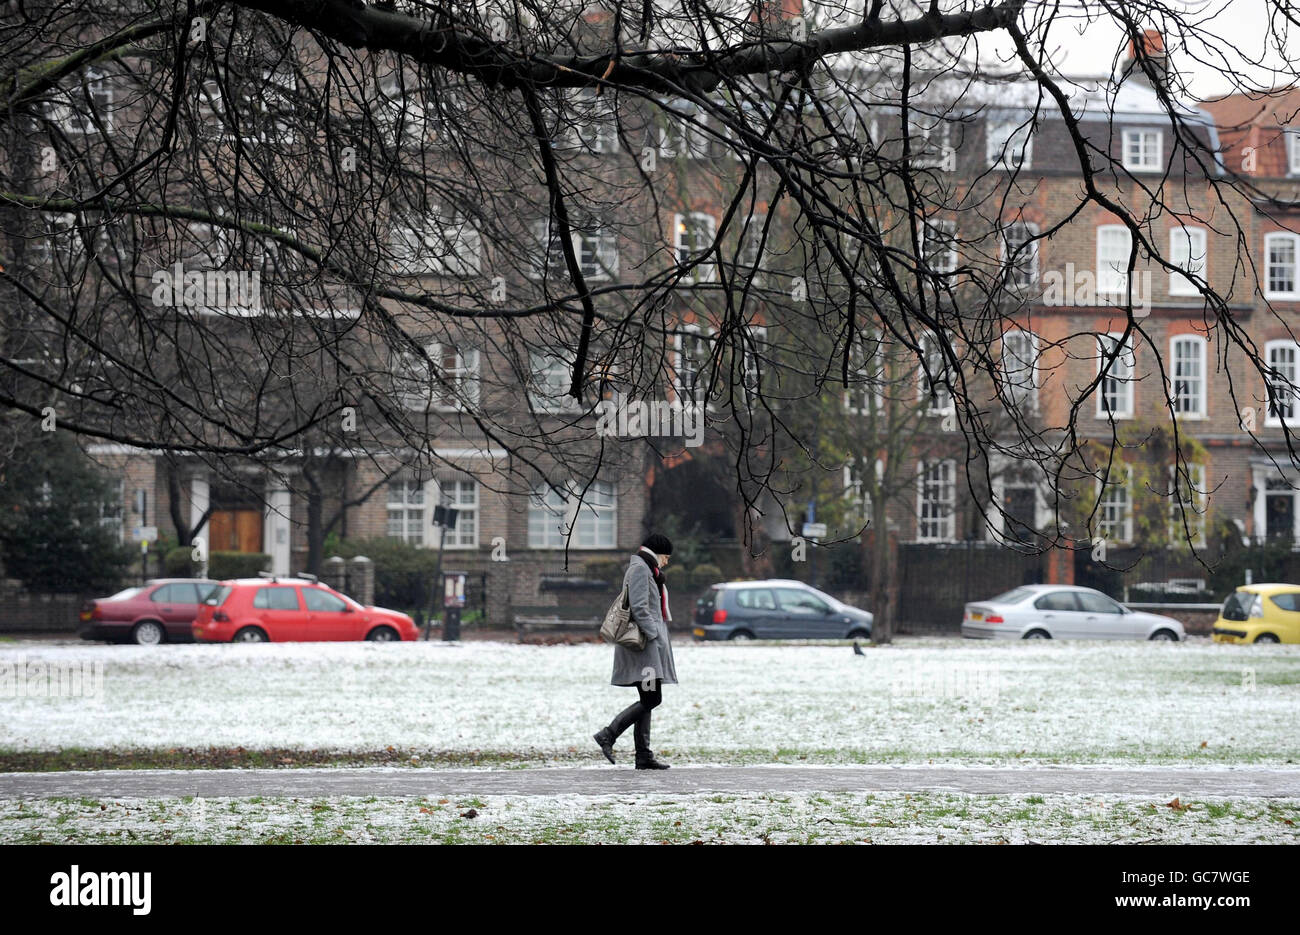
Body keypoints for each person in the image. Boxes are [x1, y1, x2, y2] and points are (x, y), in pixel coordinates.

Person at [593, 533, 678, 769]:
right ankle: (608, 734)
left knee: (647, 698)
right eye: (666, 557)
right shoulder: (641, 569)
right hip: (644, 648)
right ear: (658, 553)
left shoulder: (647, 569)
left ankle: (643, 755)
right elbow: (640, 609)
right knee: (652, 697)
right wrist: (654, 635)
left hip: (649, 647)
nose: (666, 562)